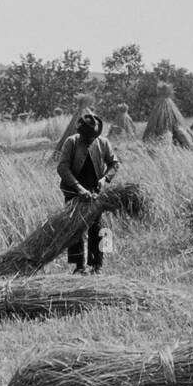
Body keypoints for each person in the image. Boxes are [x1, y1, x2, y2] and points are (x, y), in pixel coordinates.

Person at [56, 110, 120, 275]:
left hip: (94, 192)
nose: (89, 140)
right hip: (73, 190)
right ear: (80, 133)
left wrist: (104, 179)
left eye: (92, 137)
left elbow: (114, 164)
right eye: (86, 137)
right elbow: (63, 167)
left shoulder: (103, 143)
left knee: (97, 228)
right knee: (74, 228)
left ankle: (96, 265)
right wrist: (79, 188)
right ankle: (79, 266)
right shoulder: (71, 142)